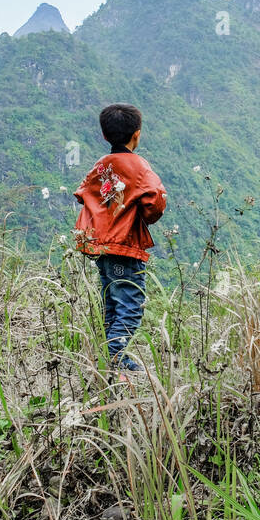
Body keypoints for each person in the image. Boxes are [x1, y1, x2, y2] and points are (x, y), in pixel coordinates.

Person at [73, 103, 168, 376]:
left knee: (112, 304)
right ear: (136, 134)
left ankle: (110, 357)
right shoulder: (138, 166)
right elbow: (156, 199)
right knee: (131, 305)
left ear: (105, 136)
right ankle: (114, 360)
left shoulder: (101, 165)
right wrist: (142, 214)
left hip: (100, 245)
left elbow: (84, 193)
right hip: (125, 245)